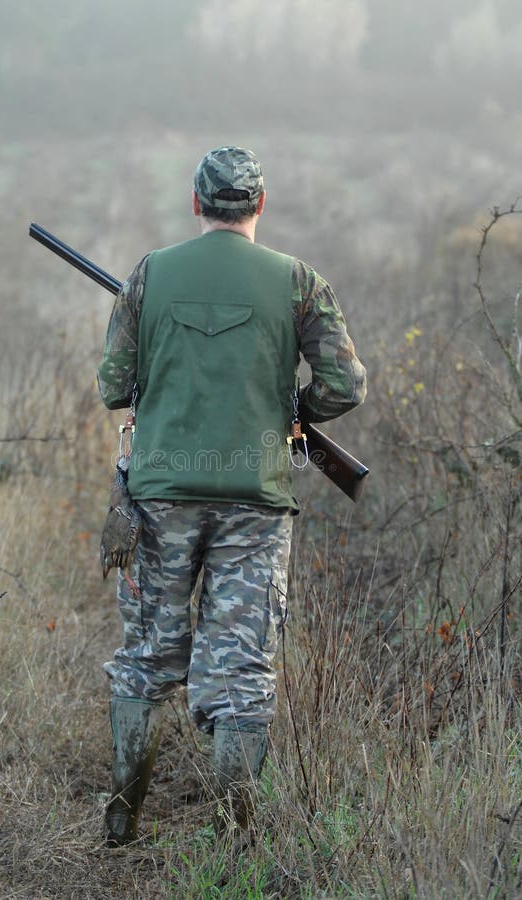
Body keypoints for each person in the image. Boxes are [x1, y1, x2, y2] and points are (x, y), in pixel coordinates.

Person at [97, 146, 366, 845]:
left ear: (197, 204)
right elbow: (346, 385)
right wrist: (293, 411)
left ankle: (123, 818)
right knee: (242, 667)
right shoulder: (299, 281)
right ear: (260, 205)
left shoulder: (151, 274)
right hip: (255, 500)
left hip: (161, 496)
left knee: (147, 654)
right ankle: (232, 838)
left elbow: (110, 386)